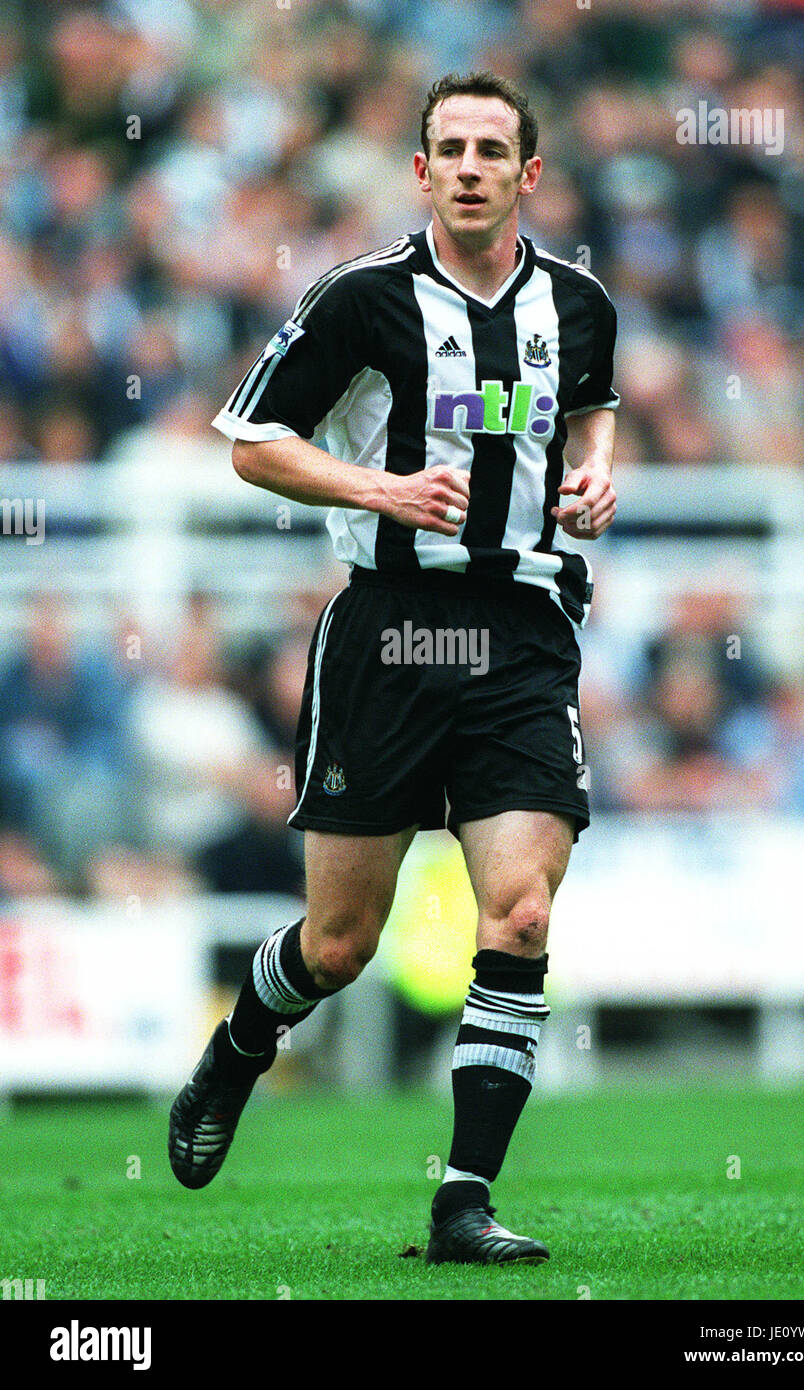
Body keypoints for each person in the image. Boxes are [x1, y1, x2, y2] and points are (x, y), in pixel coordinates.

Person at [169, 71, 618, 1266]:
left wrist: (597, 471)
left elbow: (591, 407)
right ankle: (239, 1048)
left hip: (521, 632)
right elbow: (253, 445)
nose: (468, 167)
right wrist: (379, 486)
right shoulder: (358, 301)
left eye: (491, 150)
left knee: (517, 910)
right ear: (419, 171)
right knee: (338, 945)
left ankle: (463, 1197)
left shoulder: (578, 304)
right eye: (448, 149)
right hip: (390, 636)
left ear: (529, 173)